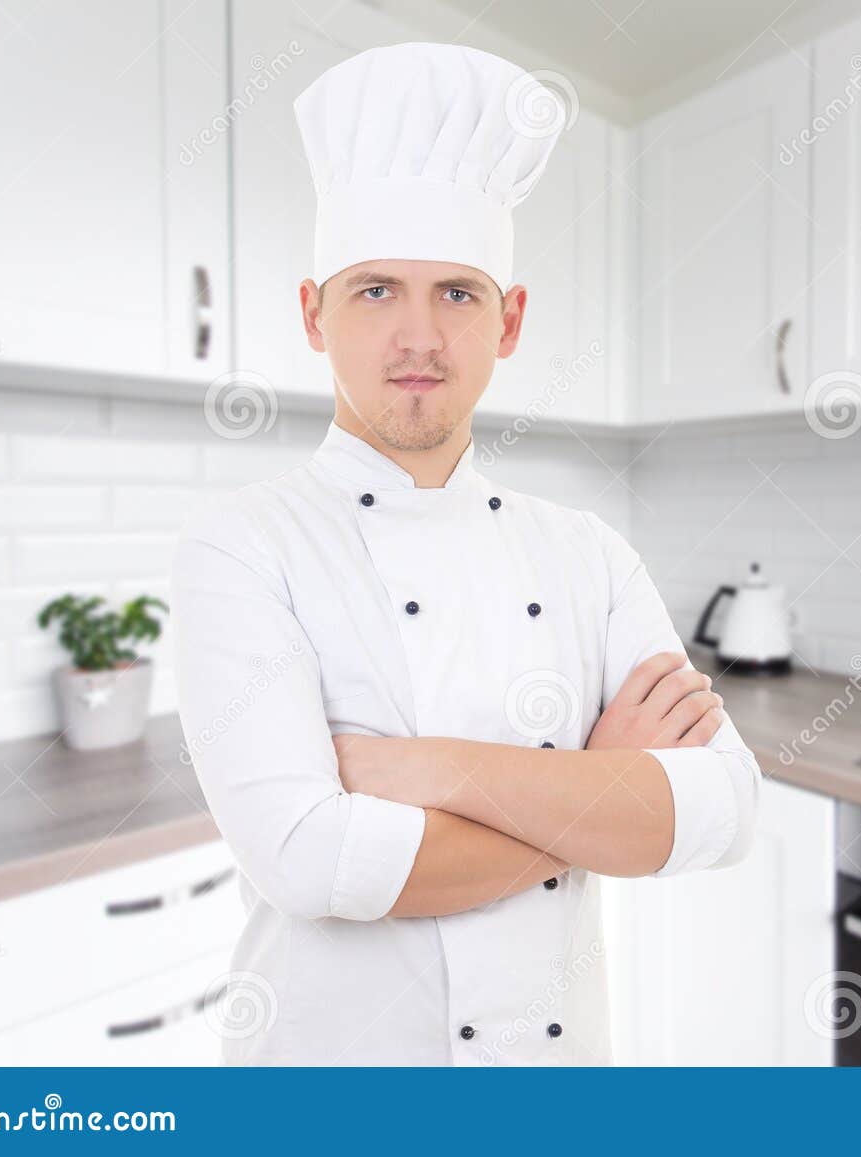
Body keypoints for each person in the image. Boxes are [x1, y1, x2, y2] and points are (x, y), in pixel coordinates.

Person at [170, 42, 760, 1066]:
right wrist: (596, 787)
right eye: (373, 292)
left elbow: (723, 808)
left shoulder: (589, 553)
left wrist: (424, 770)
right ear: (313, 313)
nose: (417, 337)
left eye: (456, 293)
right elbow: (312, 860)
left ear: (509, 320)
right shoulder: (244, 544)